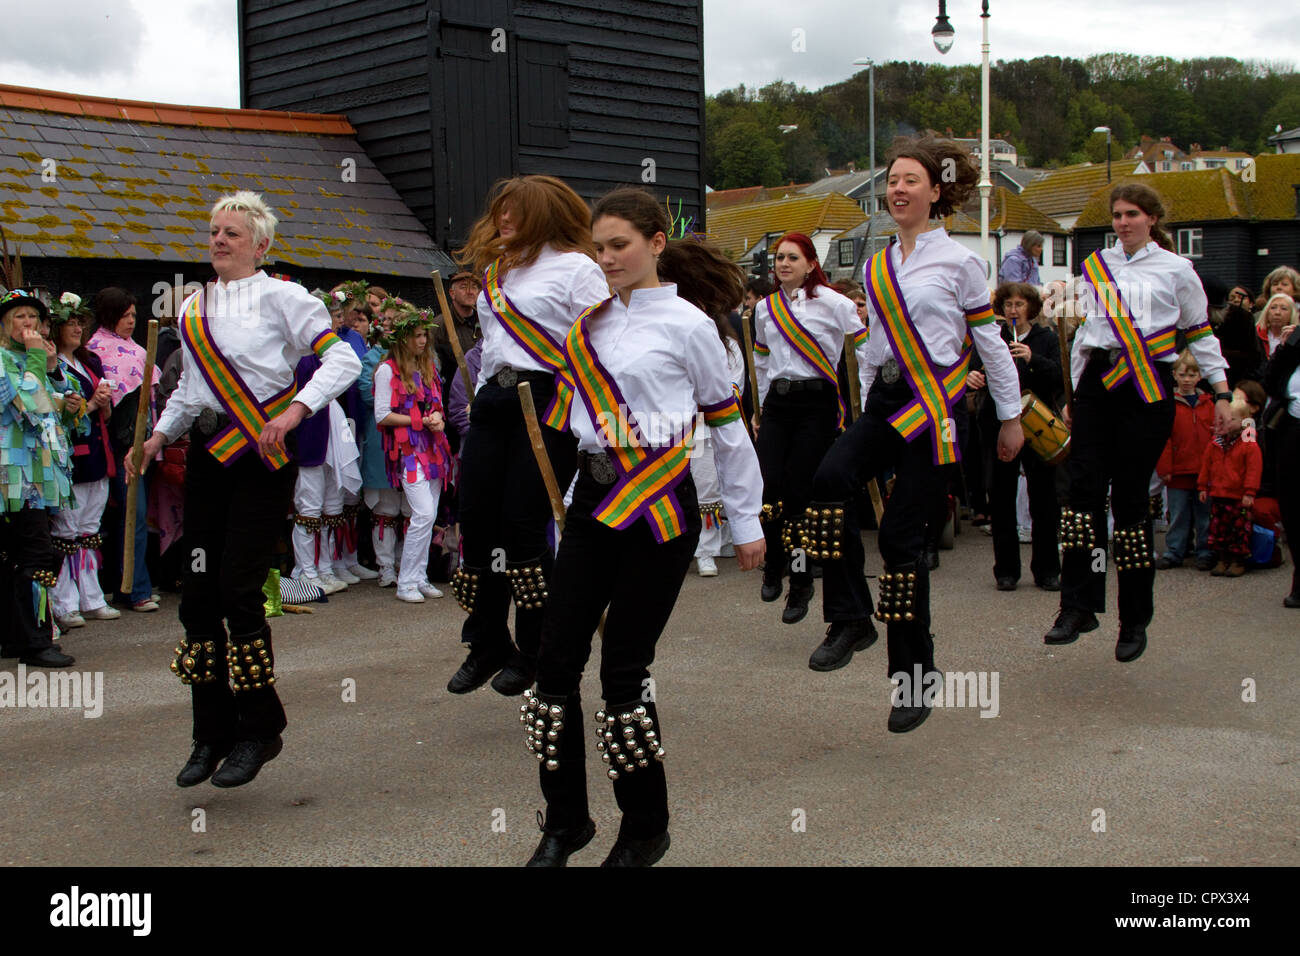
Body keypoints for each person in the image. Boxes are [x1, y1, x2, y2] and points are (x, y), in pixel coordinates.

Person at [522, 187, 763, 867]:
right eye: (598, 248)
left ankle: (644, 827)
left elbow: (728, 429)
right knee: (553, 663)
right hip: (595, 504)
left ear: (657, 242)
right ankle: (566, 821)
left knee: (623, 670)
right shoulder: (588, 324)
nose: (606, 259)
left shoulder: (689, 325)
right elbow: (570, 424)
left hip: (659, 508)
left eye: (619, 245)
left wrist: (746, 520)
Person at [131, 190, 361, 789]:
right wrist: (157, 437)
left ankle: (261, 728)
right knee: (198, 593)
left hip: (261, 453)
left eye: (231, 232)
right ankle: (210, 733)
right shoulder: (192, 308)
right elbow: (189, 391)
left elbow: (343, 364)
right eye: (213, 231)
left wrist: (294, 412)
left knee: (238, 588)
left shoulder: (286, 296)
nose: (218, 241)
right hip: (208, 455)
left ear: (261, 244)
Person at [807, 136, 1024, 732]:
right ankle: (851, 617)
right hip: (887, 400)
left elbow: (989, 345)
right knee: (827, 481)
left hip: (935, 412)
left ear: (936, 191)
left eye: (909, 180)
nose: (897, 189)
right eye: (892, 180)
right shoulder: (877, 264)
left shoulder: (960, 263)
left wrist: (1010, 417)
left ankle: (914, 679)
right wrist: (860, 407)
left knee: (903, 543)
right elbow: (875, 343)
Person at [1046, 182, 1231, 661]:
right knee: (1082, 494)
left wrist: (1223, 391)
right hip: (1098, 384)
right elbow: (1086, 333)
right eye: (1117, 215)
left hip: (1147, 385)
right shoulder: (1096, 266)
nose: (1123, 222)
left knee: (1130, 502)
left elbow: (1200, 332)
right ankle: (1077, 605)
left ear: (1151, 218)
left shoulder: (1177, 269)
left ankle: (1133, 620)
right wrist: (1075, 393)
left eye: (1132, 214)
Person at [445, 175, 610, 696]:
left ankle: (536, 648)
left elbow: (602, 346)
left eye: (515, 212)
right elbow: (493, 345)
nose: (503, 221)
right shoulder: (498, 272)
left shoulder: (578, 269)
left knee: (522, 528)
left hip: (545, 402)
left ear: (543, 213)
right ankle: (486, 641)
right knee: (475, 521)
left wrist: (593, 425)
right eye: (500, 212)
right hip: (493, 401)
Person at [752, 231, 869, 625]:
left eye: (792, 258)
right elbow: (762, 363)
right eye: (779, 258)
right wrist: (760, 406)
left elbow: (862, 353)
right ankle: (774, 561)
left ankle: (800, 580)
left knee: (800, 495)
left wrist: (866, 406)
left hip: (817, 404)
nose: (783, 264)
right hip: (778, 404)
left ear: (811, 264)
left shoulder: (835, 304)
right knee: (767, 487)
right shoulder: (766, 310)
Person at [0, 289, 85, 667]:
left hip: (35, 478)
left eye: (33, 317)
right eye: (19, 317)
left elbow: (54, 421)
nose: (28, 324)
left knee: (29, 554)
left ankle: (20, 638)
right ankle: (36, 641)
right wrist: (41, 361)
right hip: (10, 477)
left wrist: (65, 399)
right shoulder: (3, 360)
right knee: (32, 555)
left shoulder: (33, 361)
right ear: (4, 324)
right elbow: (30, 406)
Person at [657, 240, 747, 577]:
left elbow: (732, 386)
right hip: (674, 426)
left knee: (711, 483)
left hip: (707, 424)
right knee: (686, 483)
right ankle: (695, 546)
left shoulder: (725, 345)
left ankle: (711, 544)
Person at [967, 282, 1062, 591]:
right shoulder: (990, 338)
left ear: (1031, 308)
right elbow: (970, 372)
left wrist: (1032, 358)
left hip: (1036, 423)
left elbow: (1061, 378)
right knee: (1002, 496)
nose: (1013, 310)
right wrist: (973, 377)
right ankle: (1006, 570)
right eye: (1008, 304)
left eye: (1019, 304)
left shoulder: (1046, 339)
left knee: (1044, 498)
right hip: (998, 422)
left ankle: (1047, 569)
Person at [48, 297, 120, 630]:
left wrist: (103, 404)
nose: (78, 329)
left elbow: (102, 412)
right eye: (71, 323)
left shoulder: (88, 361)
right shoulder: (52, 367)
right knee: (67, 529)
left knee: (90, 526)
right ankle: (64, 602)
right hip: (68, 455)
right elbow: (59, 415)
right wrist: (92, 404)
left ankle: (91, 597)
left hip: (96, 452)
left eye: (81, 323)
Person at [86, 287, 159, 613]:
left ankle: (129, 585)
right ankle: (133, 588)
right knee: (131, 516)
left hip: (141, 442)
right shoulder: (97, 351)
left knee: (132, 517)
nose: (131, 321)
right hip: (119, 445)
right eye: (125, 315)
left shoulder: (135, 348)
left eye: (133, 315)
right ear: (109, 315)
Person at [373, 308, 451, 602]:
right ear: (403, 339)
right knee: (423, 513)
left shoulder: (428, 368)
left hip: (434, 448)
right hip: (408, 451)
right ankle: (405, 581)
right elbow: (382, 415)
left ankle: (420, 576)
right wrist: (418, 421)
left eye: (424, 335)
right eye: (417, 336)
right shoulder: (387, 370)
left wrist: (438, 420)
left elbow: (438, 406)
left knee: (427, 517)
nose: (423, 341)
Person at [1155, 351, 1216, 571]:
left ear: (1199, 376)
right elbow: (1164, 438)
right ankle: (1175, 551)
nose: (1187, 379)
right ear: (1174, 375)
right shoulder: (1169, 403)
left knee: (1204, 514)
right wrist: (1165, 468)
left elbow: (1214, 437)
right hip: (1178, 470)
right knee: (1178, 513)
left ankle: (1205, 551)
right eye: (1183, 374)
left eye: (1192, 374)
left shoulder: (1208, 404)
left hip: (1203, 471)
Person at [1198, 397, 1262, 577]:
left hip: (1238, 497)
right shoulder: (1215, 443)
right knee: (1218, 530)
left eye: (1233, 419)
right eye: (1225, 418)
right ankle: (1222, 559)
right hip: (1218, 493)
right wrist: (1203, 486)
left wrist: (1250, 492)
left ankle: (1238, 561)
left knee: (1239, 531)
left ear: (1244, 421)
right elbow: (1206, 465)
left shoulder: (1249, 444)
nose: (1227, 422)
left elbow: (1253, 470)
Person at [1255, 292, 1298, 360]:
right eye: (1273, 308)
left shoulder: (1295, 337)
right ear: (1267, 312)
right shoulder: (1255, 333)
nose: (1277, 312)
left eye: (1283, 308)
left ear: (1292, 314)